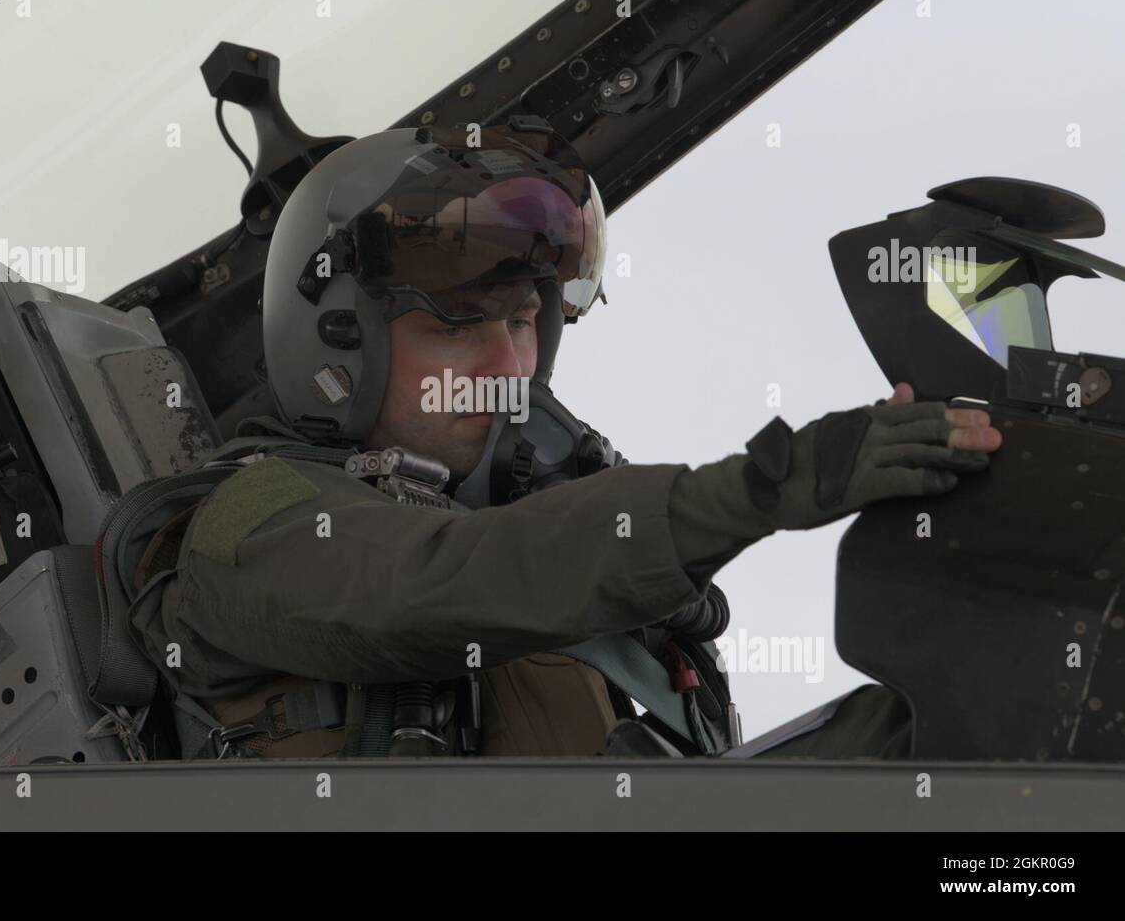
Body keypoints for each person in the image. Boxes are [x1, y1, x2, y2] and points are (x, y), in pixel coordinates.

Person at [128, 119, 1001, 759]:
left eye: (522, 320)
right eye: (459, 324)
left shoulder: (555, 537)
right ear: (339, 345)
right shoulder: (251, 522)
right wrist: (761, 489)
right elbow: (439, 584)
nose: (512, 363)